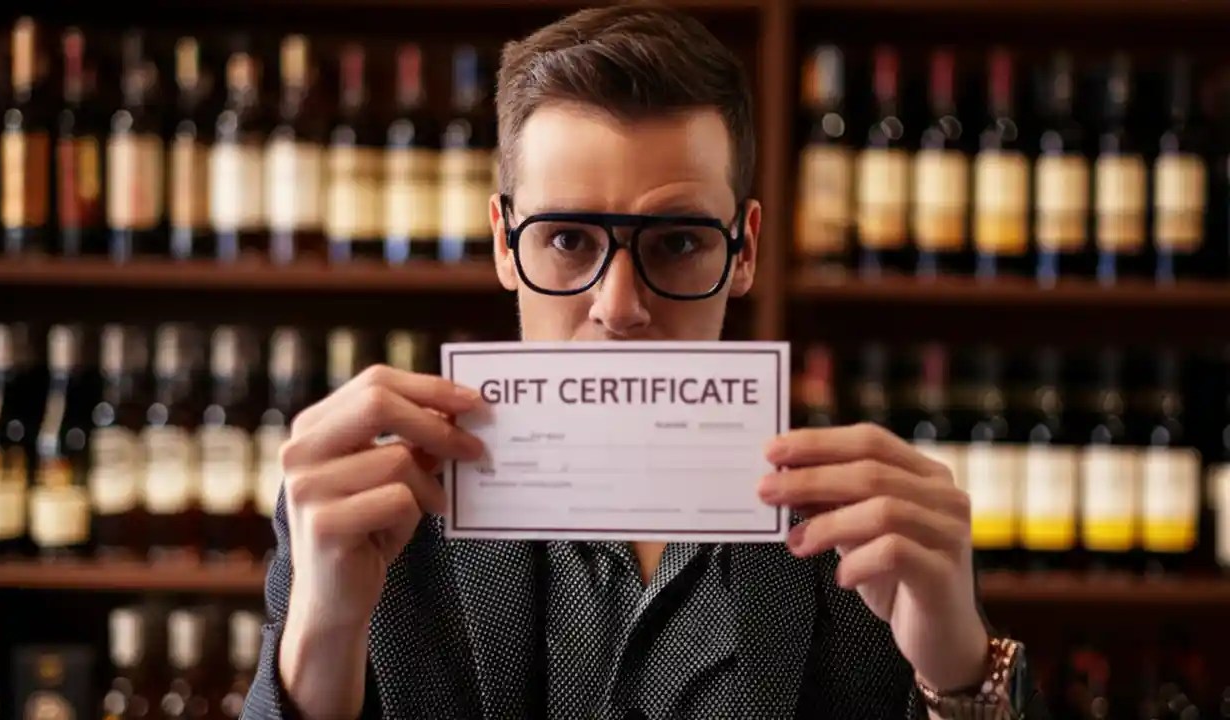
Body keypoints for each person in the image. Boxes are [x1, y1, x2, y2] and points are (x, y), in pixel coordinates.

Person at [244, 4, 1050, 719]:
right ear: (502, 242)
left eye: (676, 242)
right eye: (566, 240)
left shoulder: (871, 533)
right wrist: (322, 636)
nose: (620, 304)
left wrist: (963, 678)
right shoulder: (366, 520)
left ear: (744, 252)